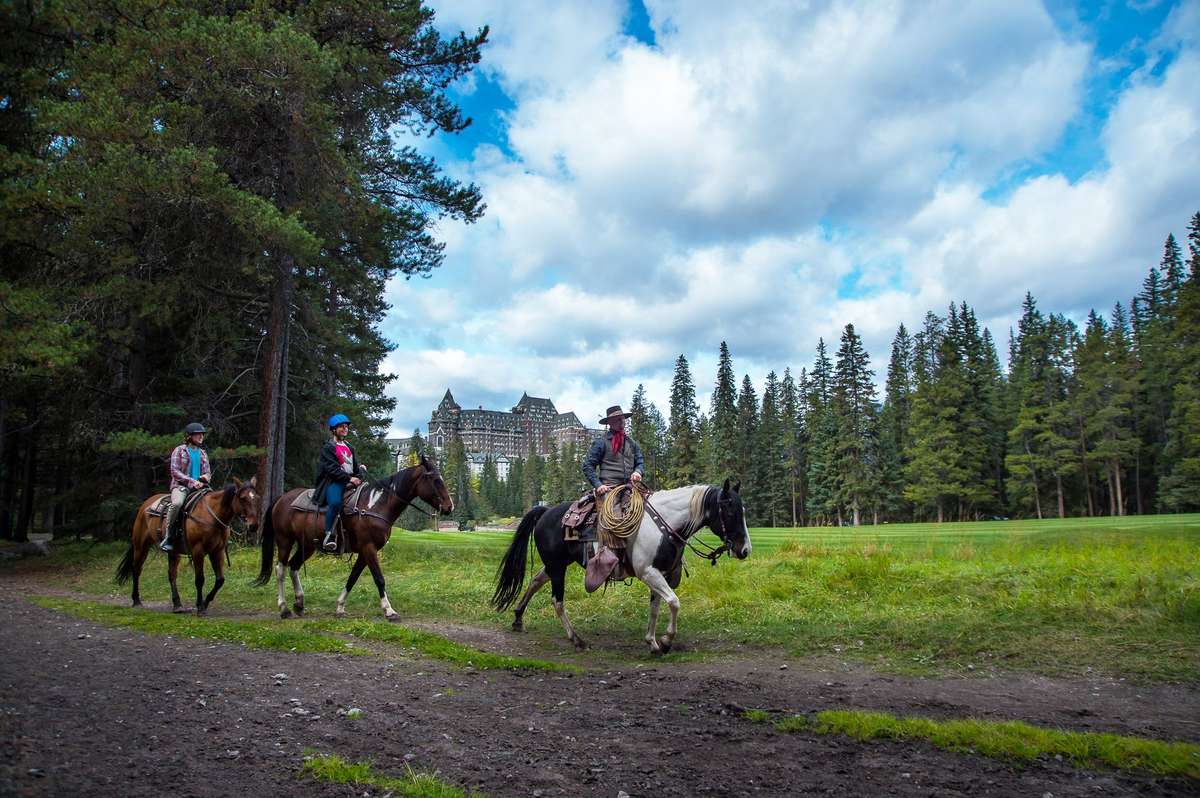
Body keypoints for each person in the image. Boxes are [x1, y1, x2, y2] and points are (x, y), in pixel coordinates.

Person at [160, 422, 212, 552]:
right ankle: (168, 536)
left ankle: (218, 535)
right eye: (197, 434)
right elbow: (174, 471)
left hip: (200, 488)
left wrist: (205, 478)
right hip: (181, 487)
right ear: (189, 436)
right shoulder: (179, 450)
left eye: (202, 434)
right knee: (177, 503)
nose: (201, 437)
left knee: (215, 503)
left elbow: (207, 472)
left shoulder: (203, 453)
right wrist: (191, 481)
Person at [315, 413, 362, 552]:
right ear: (334, 429)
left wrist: (359, 473)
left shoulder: (349, 446)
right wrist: (349, 478)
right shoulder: (328, 447)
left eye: (346, 426)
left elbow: (354, 467)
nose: (345, 429)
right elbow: (332, 469)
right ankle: (328, 535)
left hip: (350, 481)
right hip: (334, 482)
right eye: (341, 427)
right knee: (335, 503)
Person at [582, 405, 645, 495]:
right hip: (609, 489)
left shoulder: (632, 443)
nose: (621, 421)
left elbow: (640, 462)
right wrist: (598, 485)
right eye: (617, 419)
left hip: (631, 487)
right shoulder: (601, 442)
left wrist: (638, 471)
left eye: (622, 418)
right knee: (612, 509)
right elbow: (588, 465)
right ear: (609, 423)